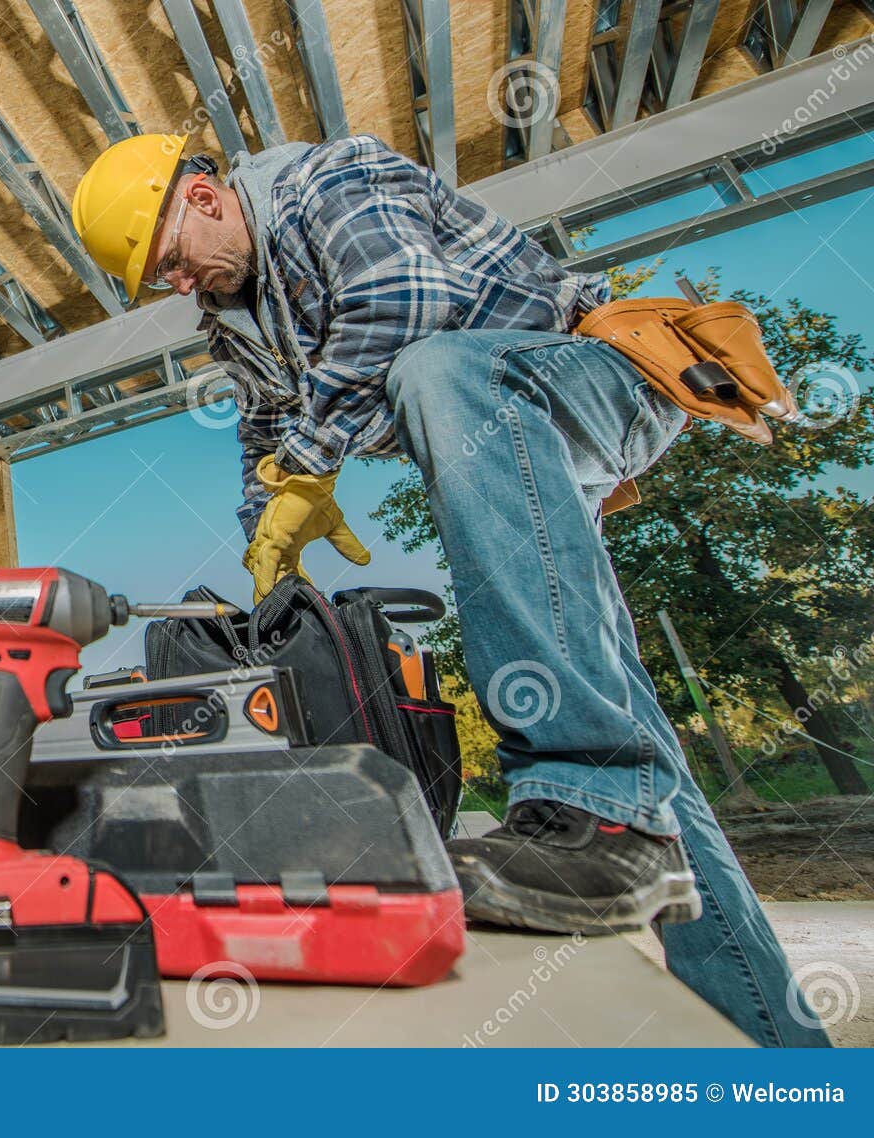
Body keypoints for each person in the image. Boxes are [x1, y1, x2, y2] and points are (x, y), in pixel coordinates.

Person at [70, 132, 829, 1047]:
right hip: (516, 457)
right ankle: (776, 1049)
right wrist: (267, 535)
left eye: (172, 264)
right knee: (632, 730)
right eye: (162, 282)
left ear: (197, 195)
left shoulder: (327, 179)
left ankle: (586, 802)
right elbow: (265, 434)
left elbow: (406, 303)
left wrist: (314, 465)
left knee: (442, 368)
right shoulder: (237, 318)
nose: (179, 285)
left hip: (589, 380)